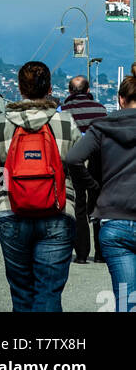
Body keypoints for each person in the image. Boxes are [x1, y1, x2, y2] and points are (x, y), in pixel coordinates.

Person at [0, 60, 85, 312]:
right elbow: (82, 164)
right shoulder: (66, 122)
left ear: (20, 88)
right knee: (48, 293)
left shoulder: (1, 122)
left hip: (12, 211)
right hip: (57, 212)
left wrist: (13, 184)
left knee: (22, 292)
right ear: (49, 88)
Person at [65, 63, 136, 312]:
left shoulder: (102, 127)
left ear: (120, 99)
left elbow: (73, 158)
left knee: (127, 301)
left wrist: (93, 185)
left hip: (114, 220)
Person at [61, 75, 107, 264]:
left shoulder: (63, 111)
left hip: (73, 161)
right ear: (88, 91)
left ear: (70, 91)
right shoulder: (101, 110)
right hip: (97, 162)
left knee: (79, 206)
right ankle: (100, 253)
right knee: (97, 204)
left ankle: (81, 253)